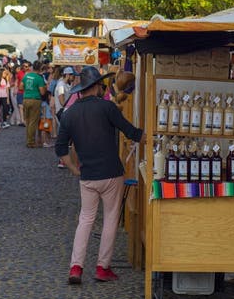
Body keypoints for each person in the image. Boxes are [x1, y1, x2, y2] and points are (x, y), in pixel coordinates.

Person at [55, 66, 145, 285]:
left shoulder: (69, 114)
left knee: (85, 220)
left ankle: (76, 267)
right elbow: (131, 132)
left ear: (81, 89)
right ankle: (102, 268)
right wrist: (150, 137)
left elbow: (61, 149)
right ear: (96, 86)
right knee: (110, 219)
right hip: (111, 173)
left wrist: (74, 169)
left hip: (88, 175)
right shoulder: (107, 107)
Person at [22, 62, 46, 148]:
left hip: (25, 99)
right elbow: (42, 92)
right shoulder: (39, 78)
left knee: (28, 121)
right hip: (35, 100)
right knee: (33, 121)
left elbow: (21, 87)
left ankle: (29, 140)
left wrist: (28, 90)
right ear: (40, 68)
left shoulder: (26, 76)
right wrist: (45, 87)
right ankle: (31, 142)